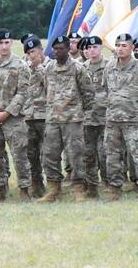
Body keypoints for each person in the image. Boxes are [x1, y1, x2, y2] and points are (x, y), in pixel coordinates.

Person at [36, 36, 94, 202]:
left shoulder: (78, 68)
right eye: (55, 49)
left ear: (68, 49)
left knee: (76, 154)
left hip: (72, 120)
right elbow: (46, 88)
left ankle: (78, 188)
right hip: (53, 119)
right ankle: (54, 189)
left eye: (61, 48)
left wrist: (80, 112)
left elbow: (88, 93)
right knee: (49, 154)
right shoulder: (49, 68)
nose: (57, 52)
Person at [101, 34, 138, 200]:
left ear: (132, 48)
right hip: (113, 120)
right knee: (112, 155)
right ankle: (114, 188)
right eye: (118, 45)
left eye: (124, 45)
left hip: (134, 120)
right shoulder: (109, 67)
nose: (120, 48)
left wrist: (136, 109)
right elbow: (106, 90)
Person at [0, 30, 31, 201]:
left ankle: (25, 189)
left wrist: (7, 113)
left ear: (12, 44)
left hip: (13, 118)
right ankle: (0, 190)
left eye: (7, 42)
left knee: (19, 155)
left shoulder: (20, 65)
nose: (4, 46)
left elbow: (23, 93)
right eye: (1, 43)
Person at [78, 35, 108, 199]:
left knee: (105, 154)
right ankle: (91, 187)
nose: (92, 50)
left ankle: (109, 184)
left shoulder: (110, 66)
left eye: (95, 47)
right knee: (88, 155)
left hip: (105, 117)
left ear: (101, 48)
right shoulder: (81, 68)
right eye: (88, 48)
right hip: (87, 119)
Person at [22, 37, 48, 198]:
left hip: (45, 116)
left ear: (41, 50)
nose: (31, 55)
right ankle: (36, 184)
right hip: (28, 116)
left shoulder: (50, 66)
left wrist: (38, 68)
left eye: (34, 51)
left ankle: (51, 185)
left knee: (48, 154)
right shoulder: (24, 68)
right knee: (30, 154)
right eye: (28, 53)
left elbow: (50, 85)